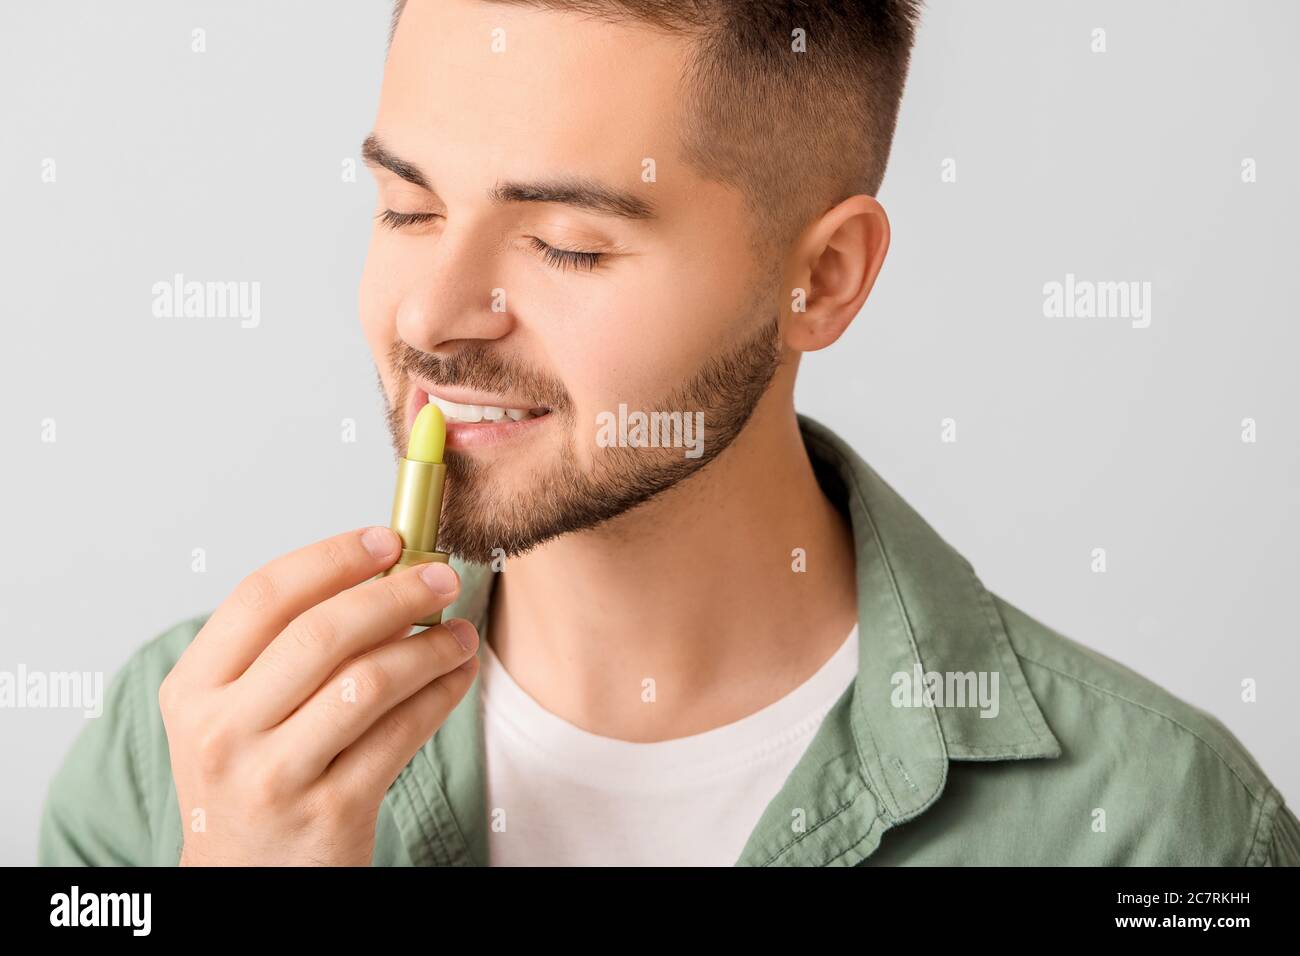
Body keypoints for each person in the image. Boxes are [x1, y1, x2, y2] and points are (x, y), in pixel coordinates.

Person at [39, 0, 1299, 866]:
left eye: (566, 243)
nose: (429, 316)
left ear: (823, 278)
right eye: (405, 208)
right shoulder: (176, 751)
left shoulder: (1160, 829)